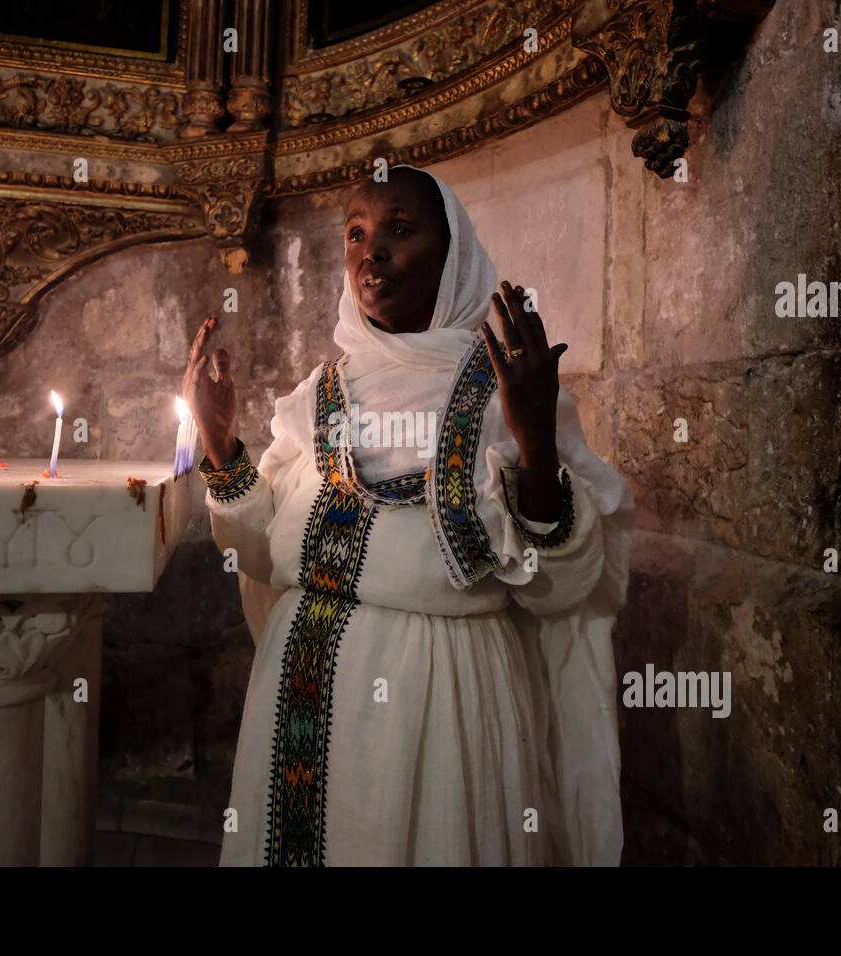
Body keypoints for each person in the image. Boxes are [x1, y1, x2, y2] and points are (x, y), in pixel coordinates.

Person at [182, 165, 635, 866]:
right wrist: (221, 447)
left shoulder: (509, 389)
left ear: (452, 253)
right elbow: (258, 552)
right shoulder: (319, 394)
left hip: (447, 702)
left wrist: (538, 441)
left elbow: (563, 587)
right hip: (300, 693)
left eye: (400, 230)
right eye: (356, 234)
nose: (372, 253)